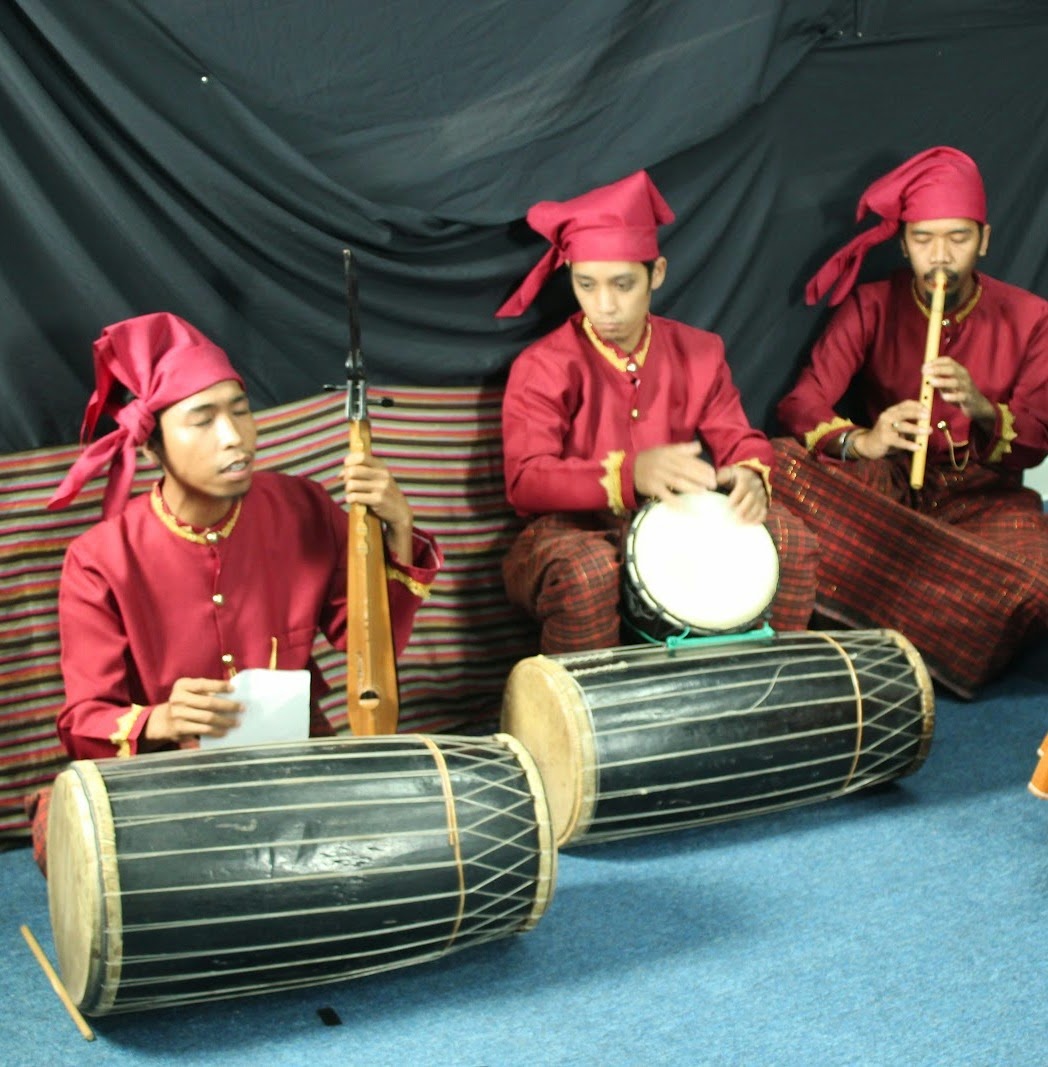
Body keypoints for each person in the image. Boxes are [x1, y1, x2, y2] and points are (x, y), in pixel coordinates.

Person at [495, 170, 818, 653]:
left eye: (623, 285)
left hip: (674, 517)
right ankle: (586, 717)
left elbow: (739, 437)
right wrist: (629, 474)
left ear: (657, 274)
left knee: (790, 538)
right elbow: (525, 481)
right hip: (567, 534)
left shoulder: (700, 352)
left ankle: (777, 689)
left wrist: (751, 475)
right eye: (586, 285)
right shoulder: (542, 365)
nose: (604, 306)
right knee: (588, 572)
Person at [774, 145, 1048, 696]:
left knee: (1036, 582)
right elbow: (801, 405)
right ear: (903, 243)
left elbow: (1037, 442)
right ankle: (939, 606)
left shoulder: (1032, 317)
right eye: (923, 239)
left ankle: (870, 603)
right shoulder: (870, 305)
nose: (940, 257)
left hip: (982, 499)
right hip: (889, 485)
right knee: (777, 465)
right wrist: (863, 441)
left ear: (985, 240)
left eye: (958, 238)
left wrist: (979, 407)